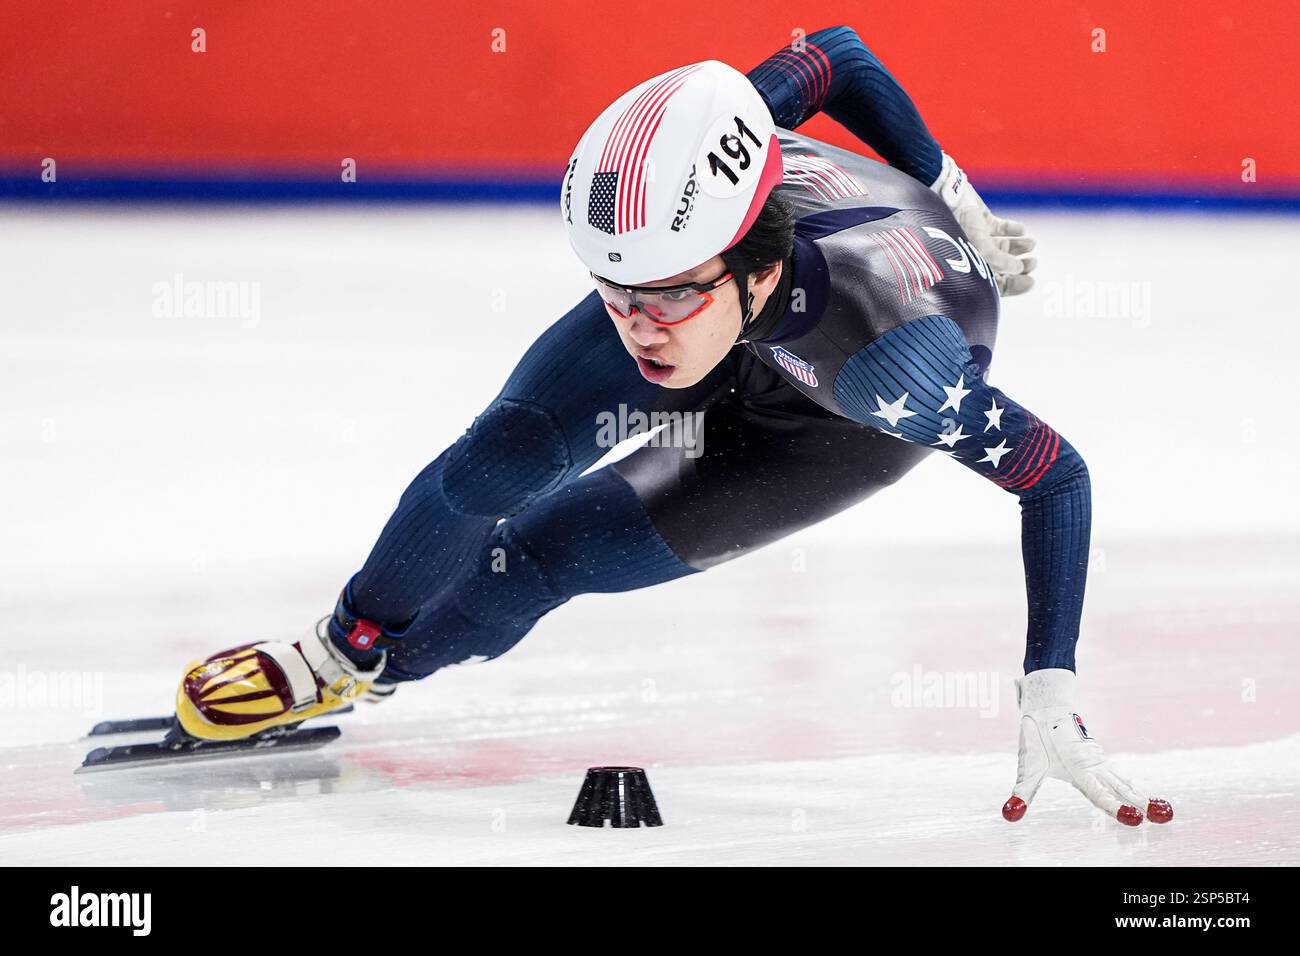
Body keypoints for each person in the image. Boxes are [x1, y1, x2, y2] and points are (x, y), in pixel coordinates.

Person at [173, 26, 1171, 826]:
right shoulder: (693, 183)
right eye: (613, 291)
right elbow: (841, 50)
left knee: (543, 556)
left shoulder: (886, 370)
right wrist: (954, 185)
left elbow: (1057, 475)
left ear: (757, 265)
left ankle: (389, 671)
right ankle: (341, 649)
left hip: (824, 422)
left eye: (662, 297)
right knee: (502, 459)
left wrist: (1049, 682)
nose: (636, 323)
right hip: (759, 320)